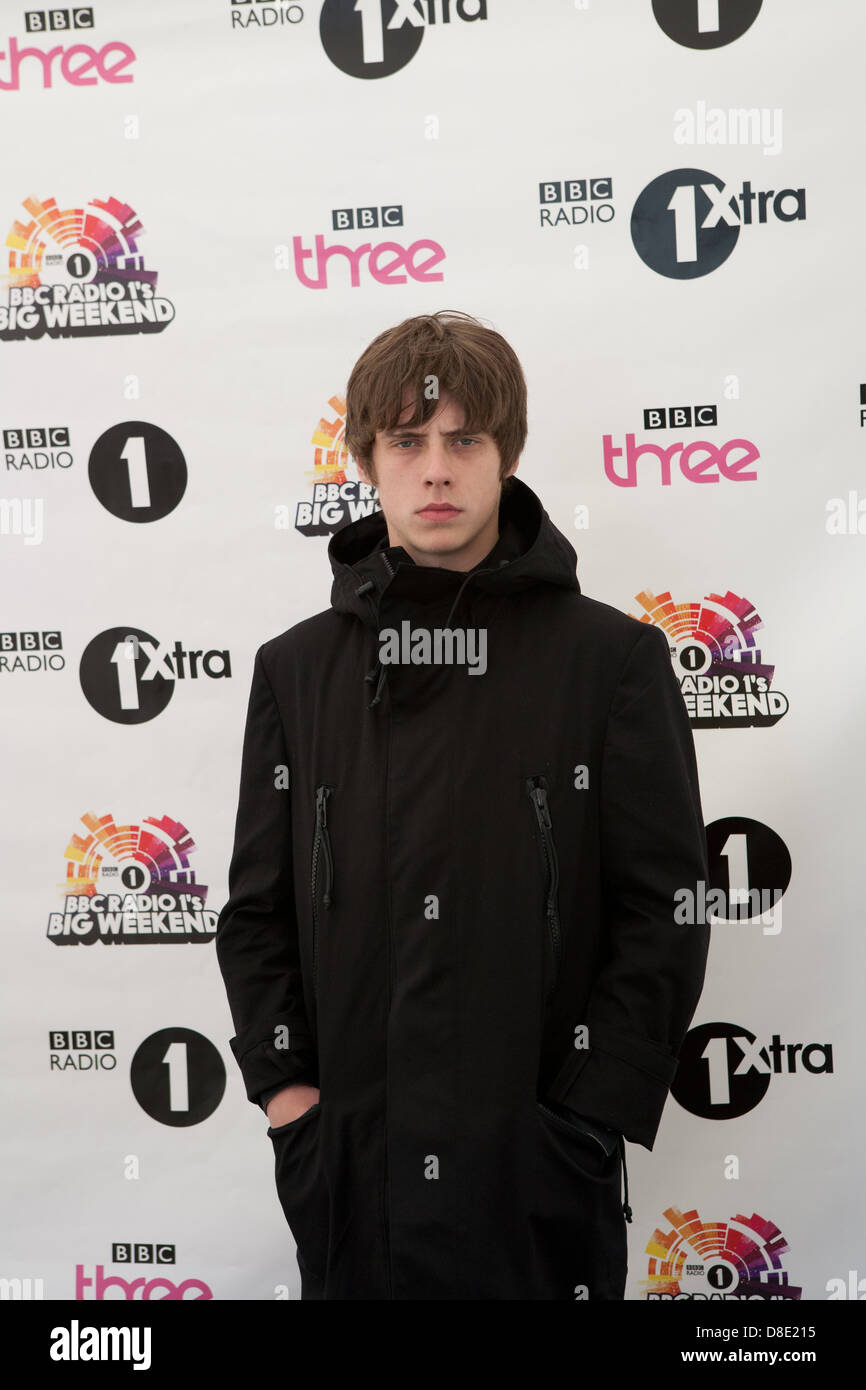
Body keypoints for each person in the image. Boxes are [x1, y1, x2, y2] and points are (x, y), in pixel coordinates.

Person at [215, 310, 710, 1301]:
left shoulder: (608, 661)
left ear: (505, 453)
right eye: (405, 440)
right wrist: (292, 1104)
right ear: (364, 457)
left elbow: (664, 908)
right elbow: (257, 911)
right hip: (351, 1179)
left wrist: (584, 1118)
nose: (434, 470)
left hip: (537, 1183)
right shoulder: (296, 670)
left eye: (461, 439)